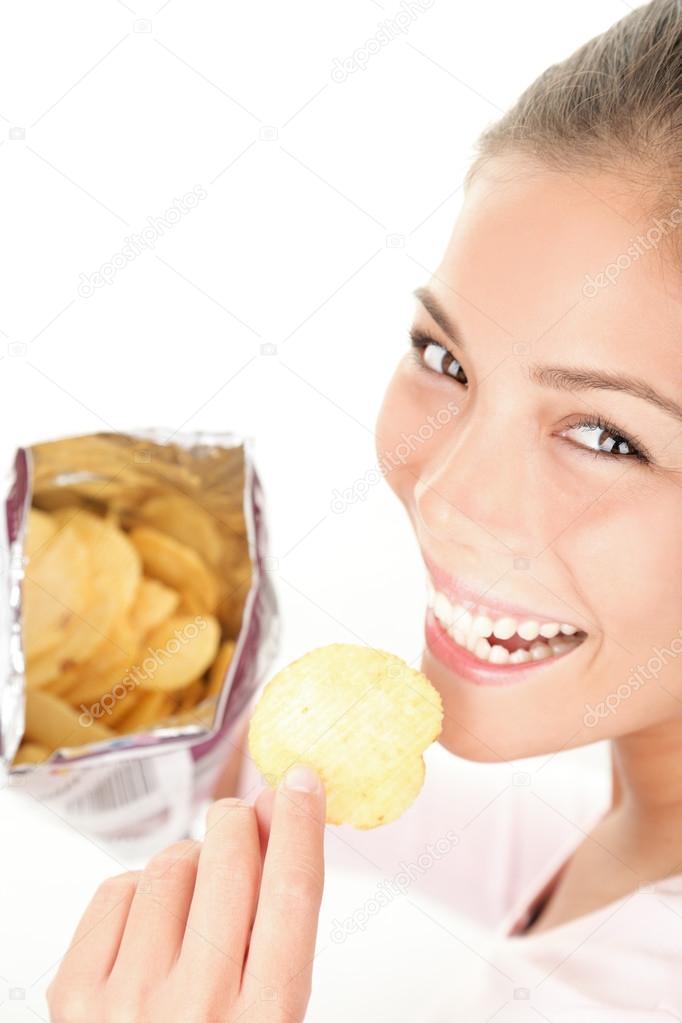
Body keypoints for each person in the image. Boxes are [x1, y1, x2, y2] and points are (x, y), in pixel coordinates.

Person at [47, 0, 682, 1017]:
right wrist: (127, 698)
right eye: (445, 358)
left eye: (609, 437)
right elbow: (527, 857)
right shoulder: (641, 819)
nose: (448, 491)